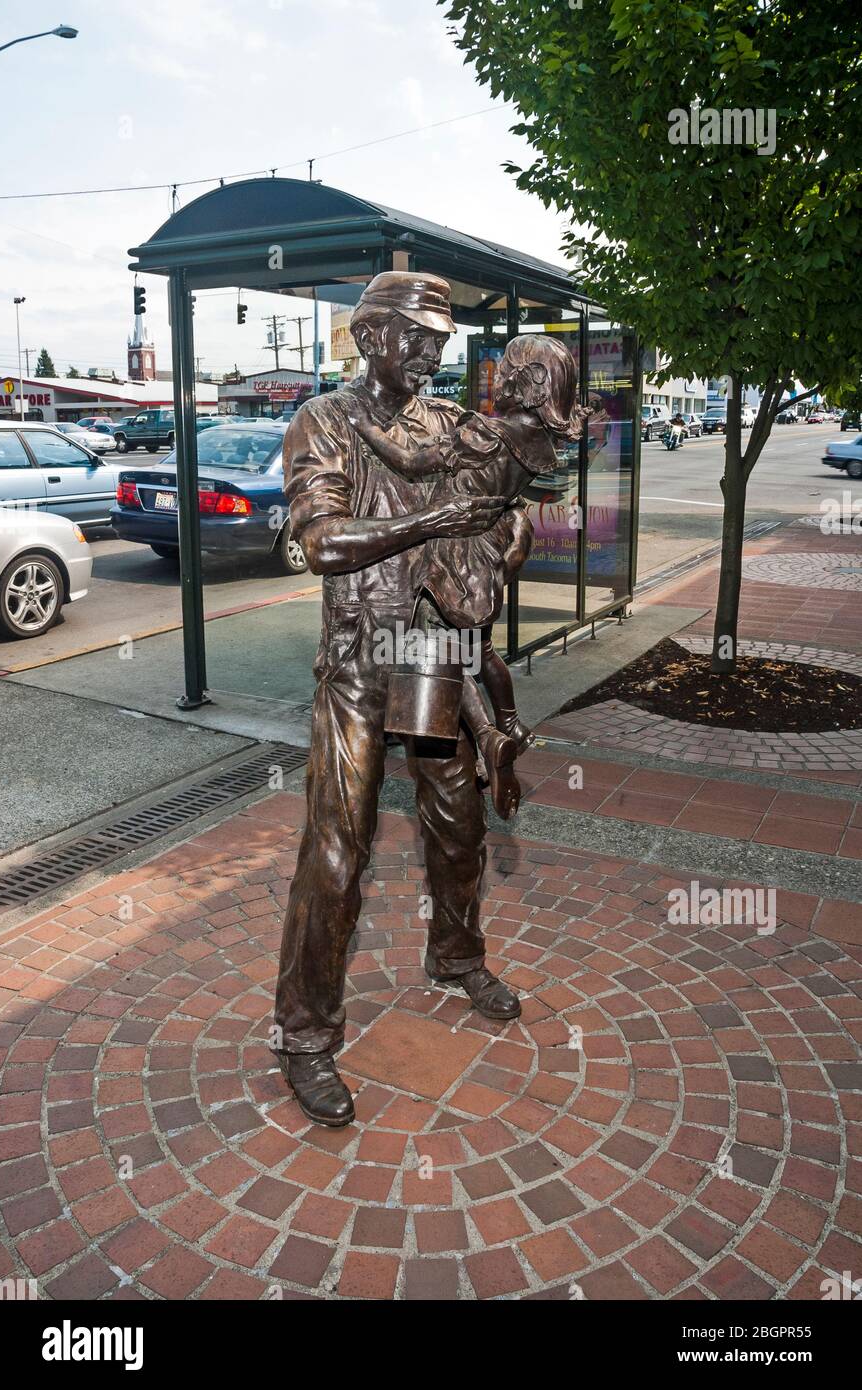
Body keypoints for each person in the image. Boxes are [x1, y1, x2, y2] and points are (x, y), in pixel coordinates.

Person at [272, 271, 531, 1127]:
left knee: (460, 825)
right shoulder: (324, 423)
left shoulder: (449, 425)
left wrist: (503, 531)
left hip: (435, 651)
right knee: (337, 849)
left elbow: (508, 506)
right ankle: (306, 1033)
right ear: (369, 335)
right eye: (415, 337)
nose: (430, 353)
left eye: (440, 340)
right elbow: (321, 544)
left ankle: (456, 956)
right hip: (357, 662)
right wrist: (429, 526)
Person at [346, 334, 587, 820]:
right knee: (479, 650)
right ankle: (509, 723)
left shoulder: (486, 433)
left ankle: (486, 735)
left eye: (505, 370)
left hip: (450, 553)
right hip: (483, 560)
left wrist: (365, 426)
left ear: (530, 384)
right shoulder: (539, 444)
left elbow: (411, 461)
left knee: (436, 644)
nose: (495, 378)